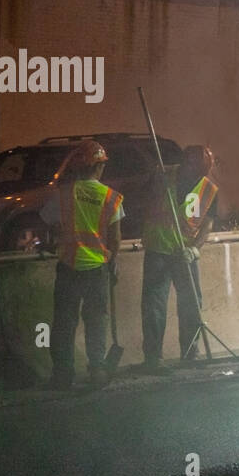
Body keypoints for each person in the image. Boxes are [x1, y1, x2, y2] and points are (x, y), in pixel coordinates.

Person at [39, 140, 125, 389]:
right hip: (97, 269)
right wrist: (112, 260)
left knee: (65, 322)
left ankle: (63, 374)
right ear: (99, 167)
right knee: (96, 321)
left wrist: (59, 237)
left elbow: (48, 221)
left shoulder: (64, 194)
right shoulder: (111, 197)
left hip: (68, 267)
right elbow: (116, 238)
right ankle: (97, 369)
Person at [139, 145, 220, 372]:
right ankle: (153, 358)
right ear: (185, 162)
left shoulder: (209, 189)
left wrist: (195, 249)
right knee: (154, 305)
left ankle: (190, 352)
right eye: (191, 168)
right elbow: (141, 200)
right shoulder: (162, 175)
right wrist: (156, 186)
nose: (194, 175)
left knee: (192, 303)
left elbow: (208, 223)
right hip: (158, 249)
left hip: (185, 253)